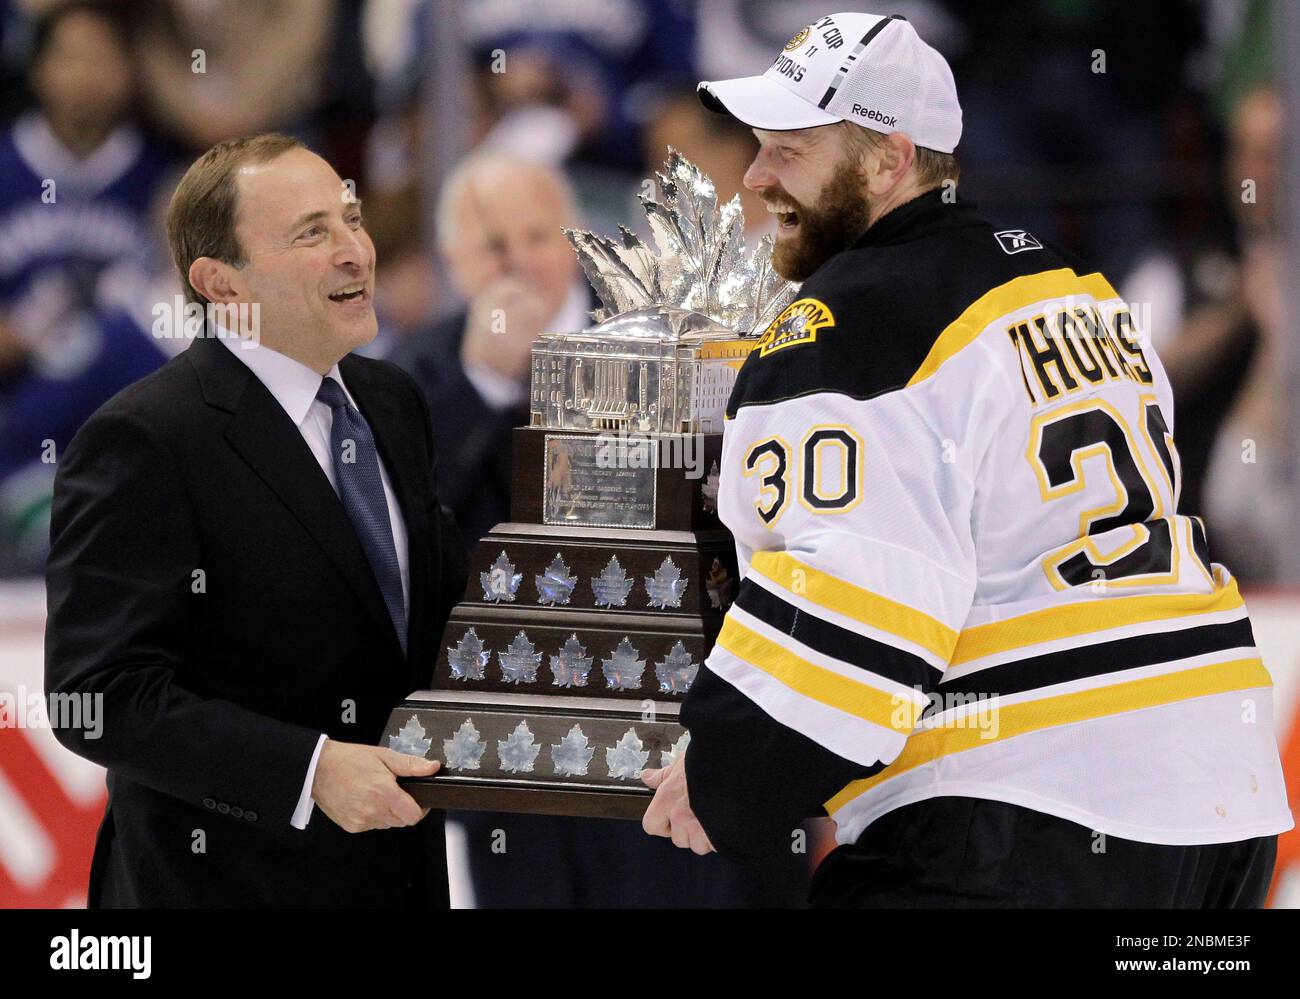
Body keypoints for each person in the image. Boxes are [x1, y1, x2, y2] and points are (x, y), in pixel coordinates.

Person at [641, 11, 1293, 907]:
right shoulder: (1071, 283)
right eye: (758, 147)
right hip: (1223, 804)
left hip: (1027, 803)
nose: (755, 178)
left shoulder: (846, 325)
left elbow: (863, 601)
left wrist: (728, 777)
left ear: (887, 159)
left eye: (790, 150)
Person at [44, 133, 467, 907]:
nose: (356, 251)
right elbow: (96, 695)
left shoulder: (392, 402)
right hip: (219, 886)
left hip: (396, 881)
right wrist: (309, 770)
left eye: (352, 218)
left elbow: (428, 616)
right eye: (312, 232)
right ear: (219, 282)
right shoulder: (145, 439)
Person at [395, 151, 807, 907]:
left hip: (670, 717)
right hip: (521, 746)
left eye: (536, 236)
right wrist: (481, 383)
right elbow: (414, 534)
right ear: (452, 264)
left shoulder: (664, 324)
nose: (517, 260)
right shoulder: (419, 369)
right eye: (491, 245)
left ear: (574, 236)